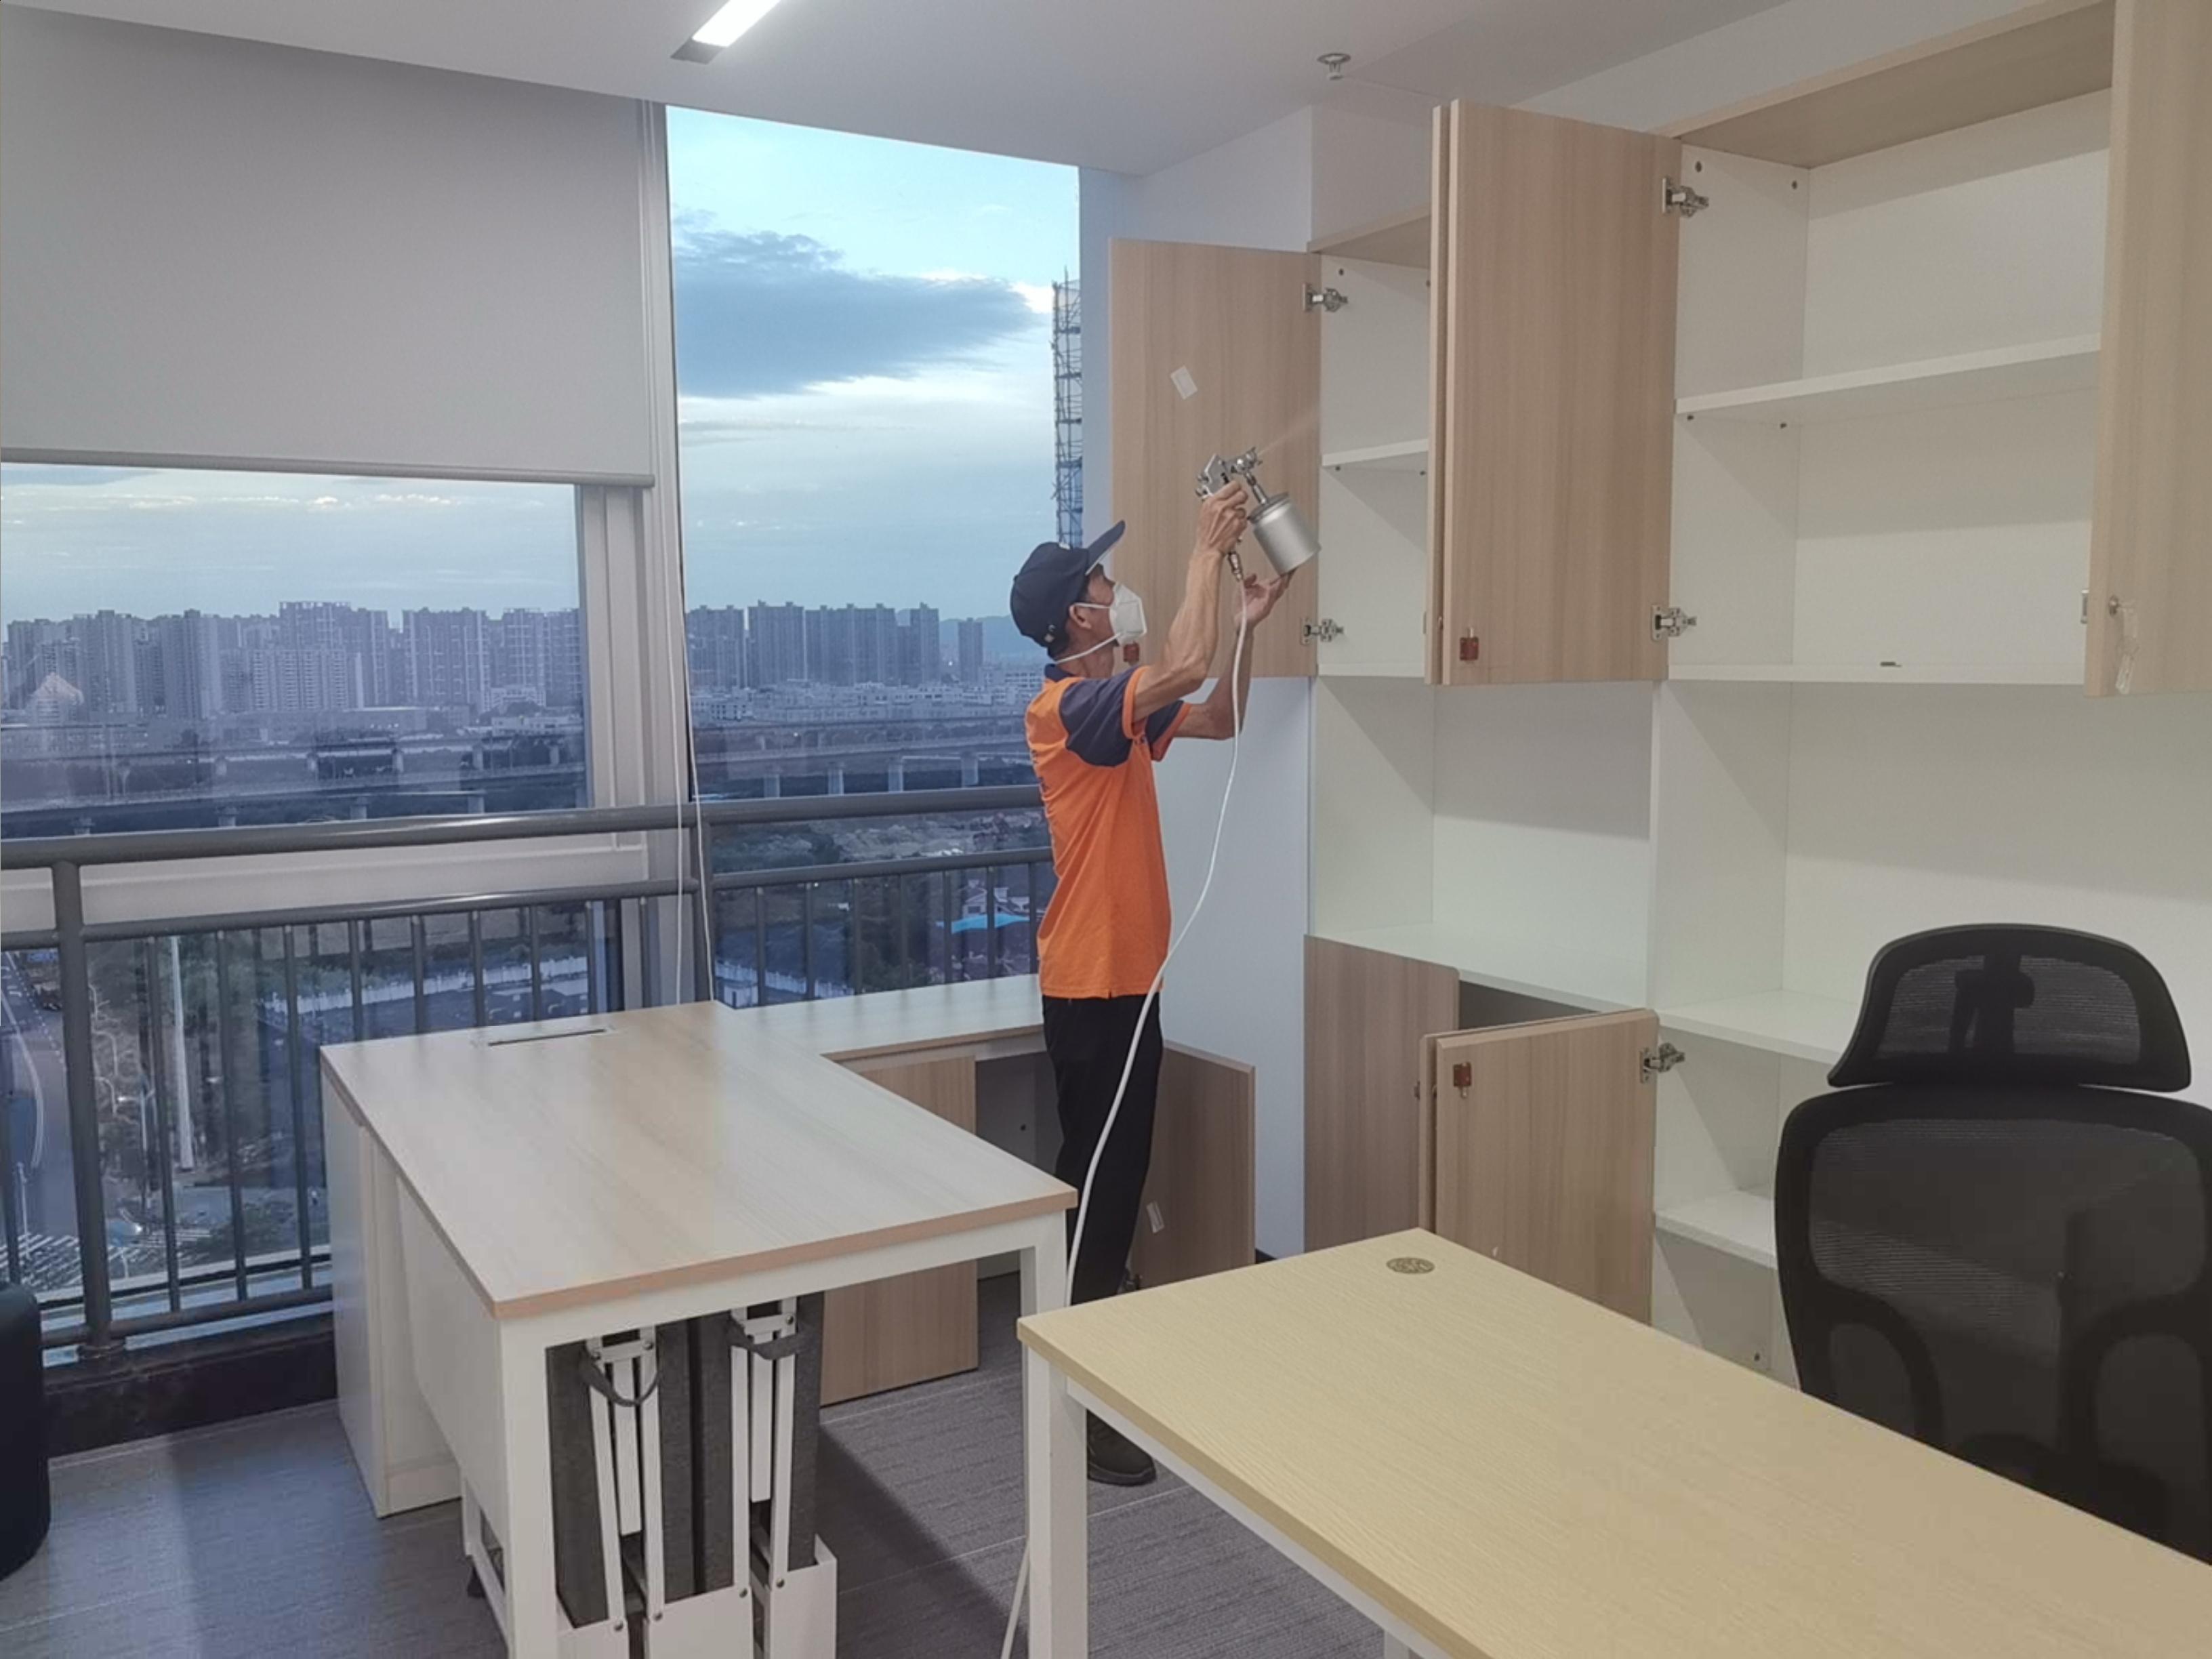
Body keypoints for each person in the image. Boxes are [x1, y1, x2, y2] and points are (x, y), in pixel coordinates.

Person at [1006, 482, 1290, 1485]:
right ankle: (1080, 1400)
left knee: (1111, 1185)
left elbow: (1218, 713)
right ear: (1077, 620)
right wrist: (1206, 551)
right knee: (1104, 1189)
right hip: (1094, 987)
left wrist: (1247, 624)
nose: (1114, 588)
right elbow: (1182, 665)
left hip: (1125, 982)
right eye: (1101, 583)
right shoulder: (1072, 709)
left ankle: (1084, 1358)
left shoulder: (1117, 714)